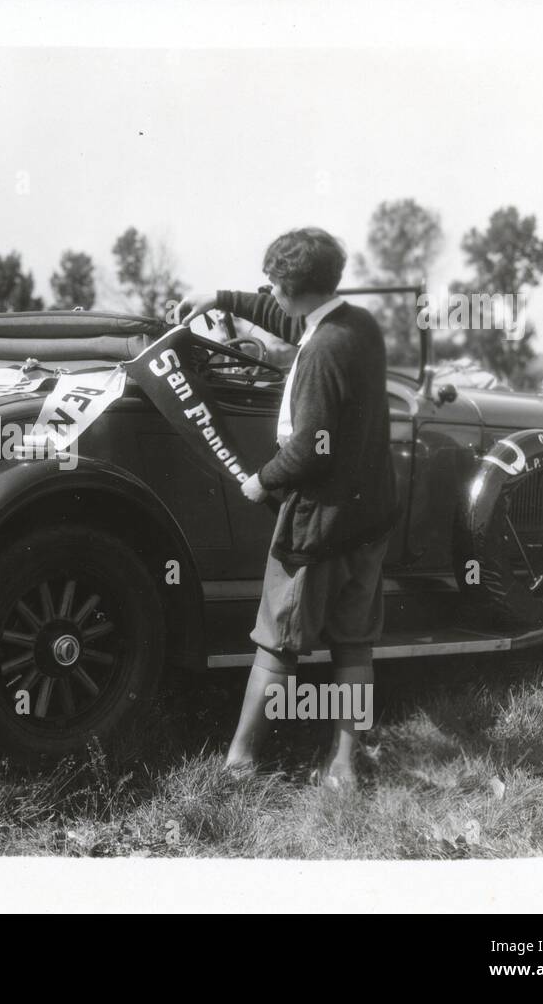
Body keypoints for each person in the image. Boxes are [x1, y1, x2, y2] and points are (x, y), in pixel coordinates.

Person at [176, 228, 398, 789]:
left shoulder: (320, 352)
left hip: (318, 522)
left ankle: (240, 762)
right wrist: (220, 301)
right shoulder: (355, 325)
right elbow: (288, 321)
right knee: (354, 641)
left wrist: (261, 481)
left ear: (296, 290)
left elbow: (310, 444)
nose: (269, 294)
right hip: (369, 518)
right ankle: (344, 767)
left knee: (277, 640)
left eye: (273, 286)